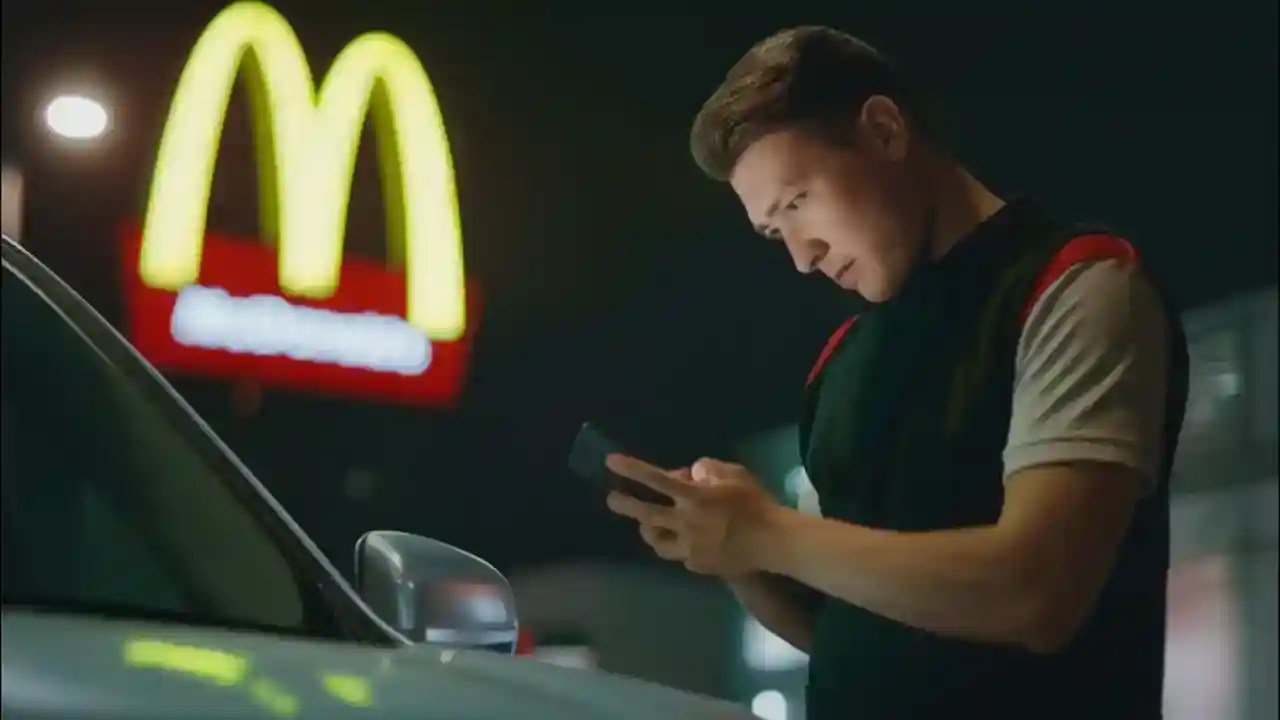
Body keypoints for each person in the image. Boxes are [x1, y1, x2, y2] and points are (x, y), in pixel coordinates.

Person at [604, 26, 1189, 719]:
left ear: (884, 131)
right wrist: (736, 555)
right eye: (773, 230)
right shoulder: (842, 362)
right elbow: (849, 631)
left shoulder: (1076, 286)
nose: (801, 254)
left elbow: (1036, 593)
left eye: (798, 202)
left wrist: (769, 533)